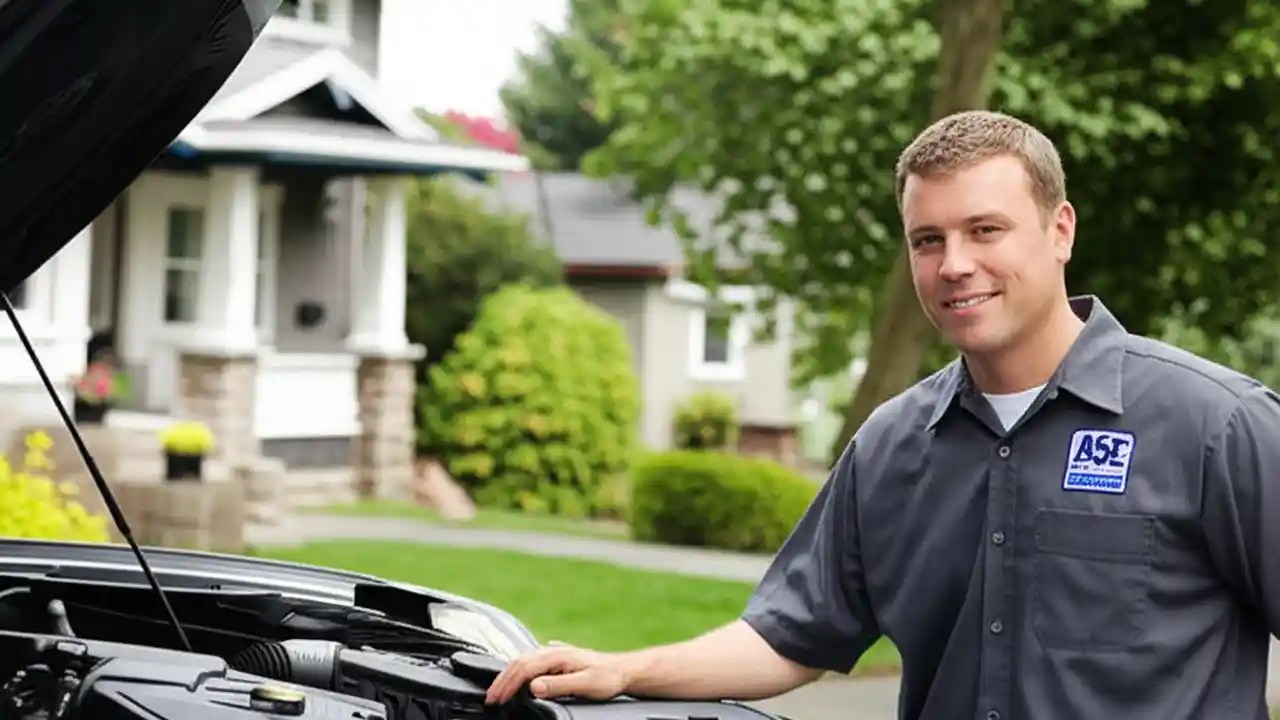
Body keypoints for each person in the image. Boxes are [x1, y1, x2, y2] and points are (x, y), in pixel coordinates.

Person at [484, 110, 1280, 719]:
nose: (955, 264)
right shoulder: (893, 445)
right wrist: (630, 669)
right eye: (927, 239)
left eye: (985, 230)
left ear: (1060, 229)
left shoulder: (1215, 425)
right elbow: (791, 634)